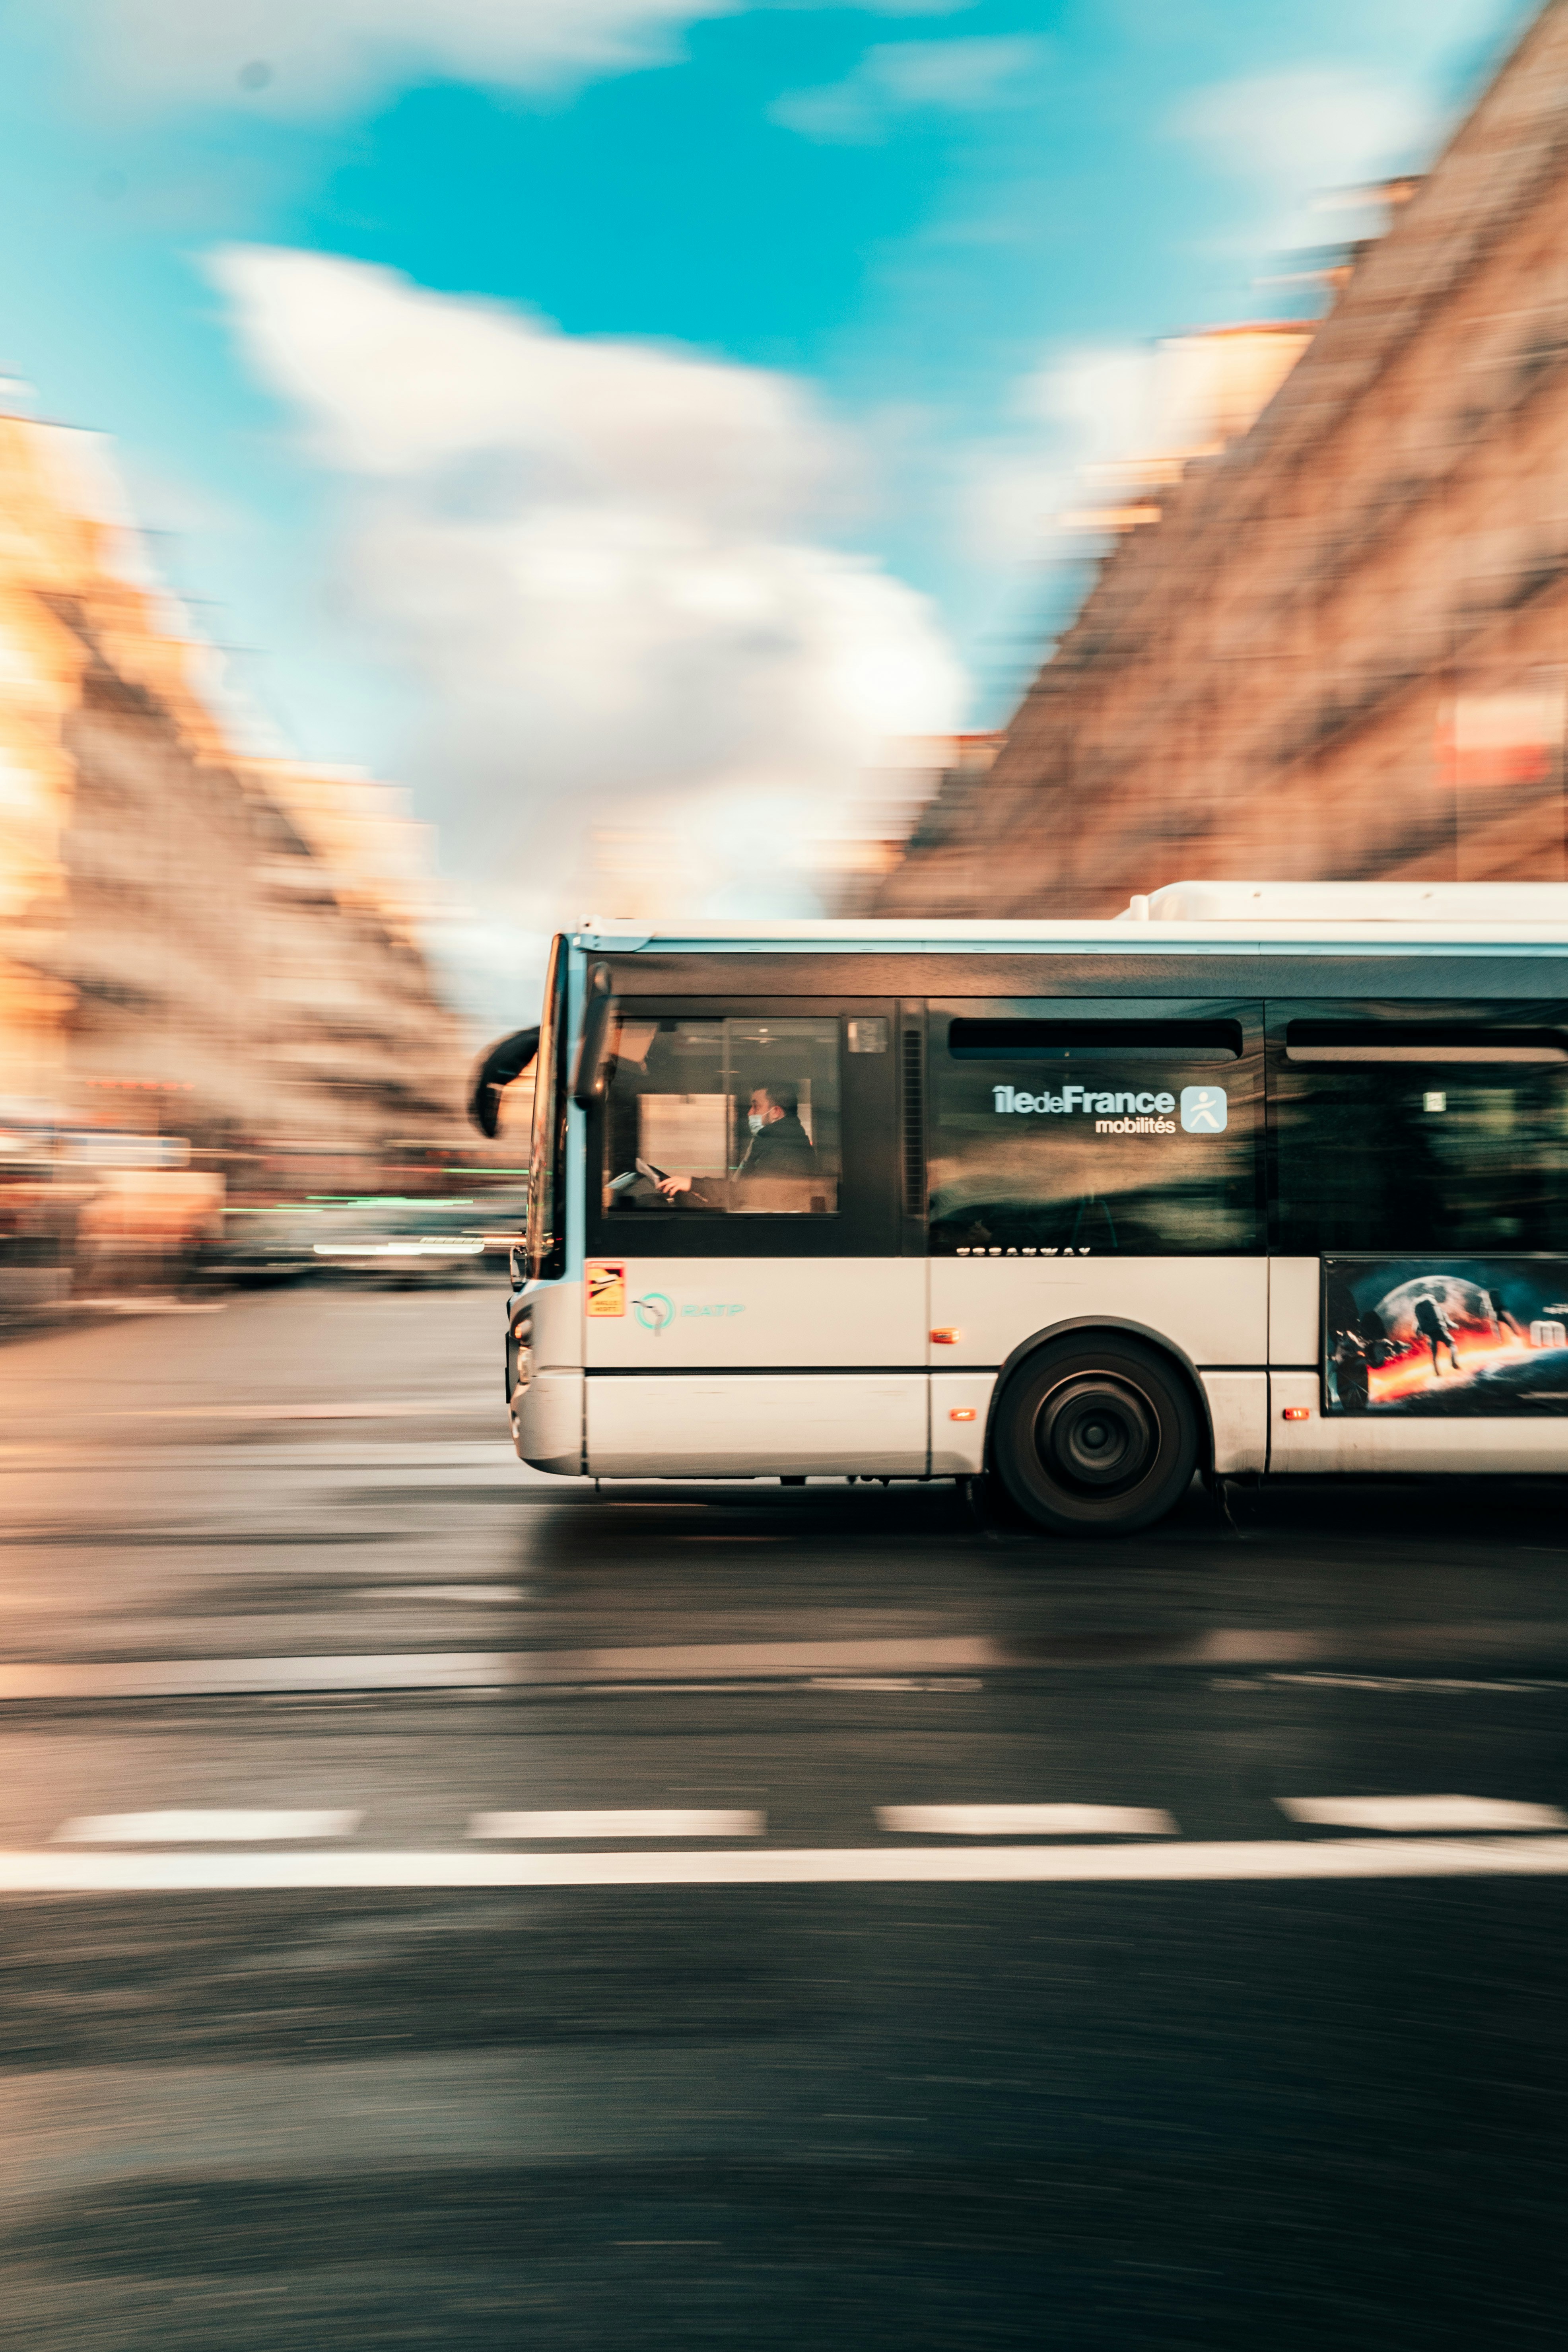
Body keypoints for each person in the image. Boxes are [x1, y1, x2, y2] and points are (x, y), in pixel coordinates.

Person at [657, 1083, 817, 1198]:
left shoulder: (788, 1149)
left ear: (776, 1112)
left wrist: (694, 1185)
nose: (749, 1113)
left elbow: (749, 1192)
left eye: (756, 1107)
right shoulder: (769, 1142)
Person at [1412, 1290, 1460, 1377]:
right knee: (1452, 1345)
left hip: (1430, 1334)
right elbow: (1448, 1322)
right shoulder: (1438, 1310)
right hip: (1440, 1330)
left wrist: (1418, 1333)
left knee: (1435, 1354)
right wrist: (1455, 1326)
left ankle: (1437, 1372)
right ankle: (1453, 1362)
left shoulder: (1420, 1312)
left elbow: (1417, 1325)